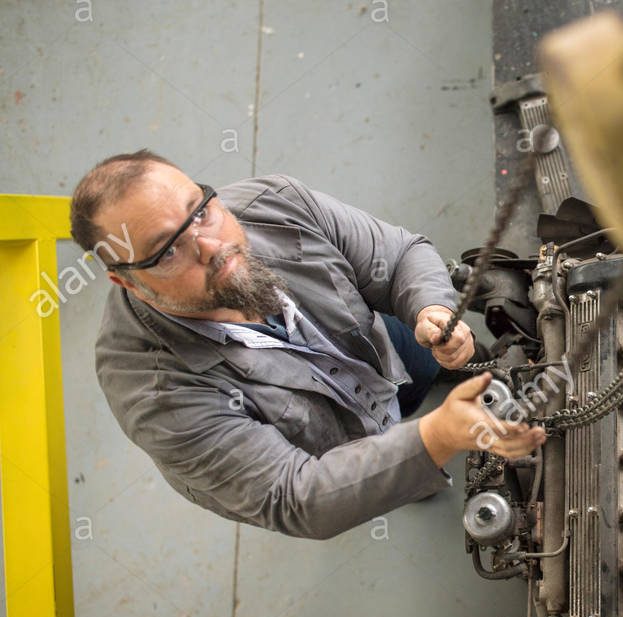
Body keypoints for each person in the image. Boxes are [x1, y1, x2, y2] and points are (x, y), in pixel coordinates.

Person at [74, 150, 544, 540]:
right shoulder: (153, 391)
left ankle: (455, 372)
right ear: (128, 282)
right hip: (341, 443)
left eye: (200, 212)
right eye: (168, 250)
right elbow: (296, 495)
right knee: (391, 467)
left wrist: (430, 311)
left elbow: (399, 256)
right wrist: (434, 438)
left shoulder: (275, 204)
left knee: (448, 354)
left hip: (386, 352)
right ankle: (411, 471)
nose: (210, 246)